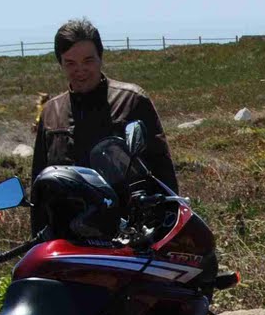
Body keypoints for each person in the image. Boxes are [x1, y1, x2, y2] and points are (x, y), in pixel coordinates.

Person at [31, 18, 178, 234]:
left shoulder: (132, 101)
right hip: (67, 239)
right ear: (60, 64)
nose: (80, 69)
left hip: (126, 237)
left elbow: (162, 172)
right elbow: (40, 183)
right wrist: (39, 240)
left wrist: (166, 230)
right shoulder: (52, 112)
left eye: (88, 60)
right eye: (70, 63)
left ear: (101, 58)